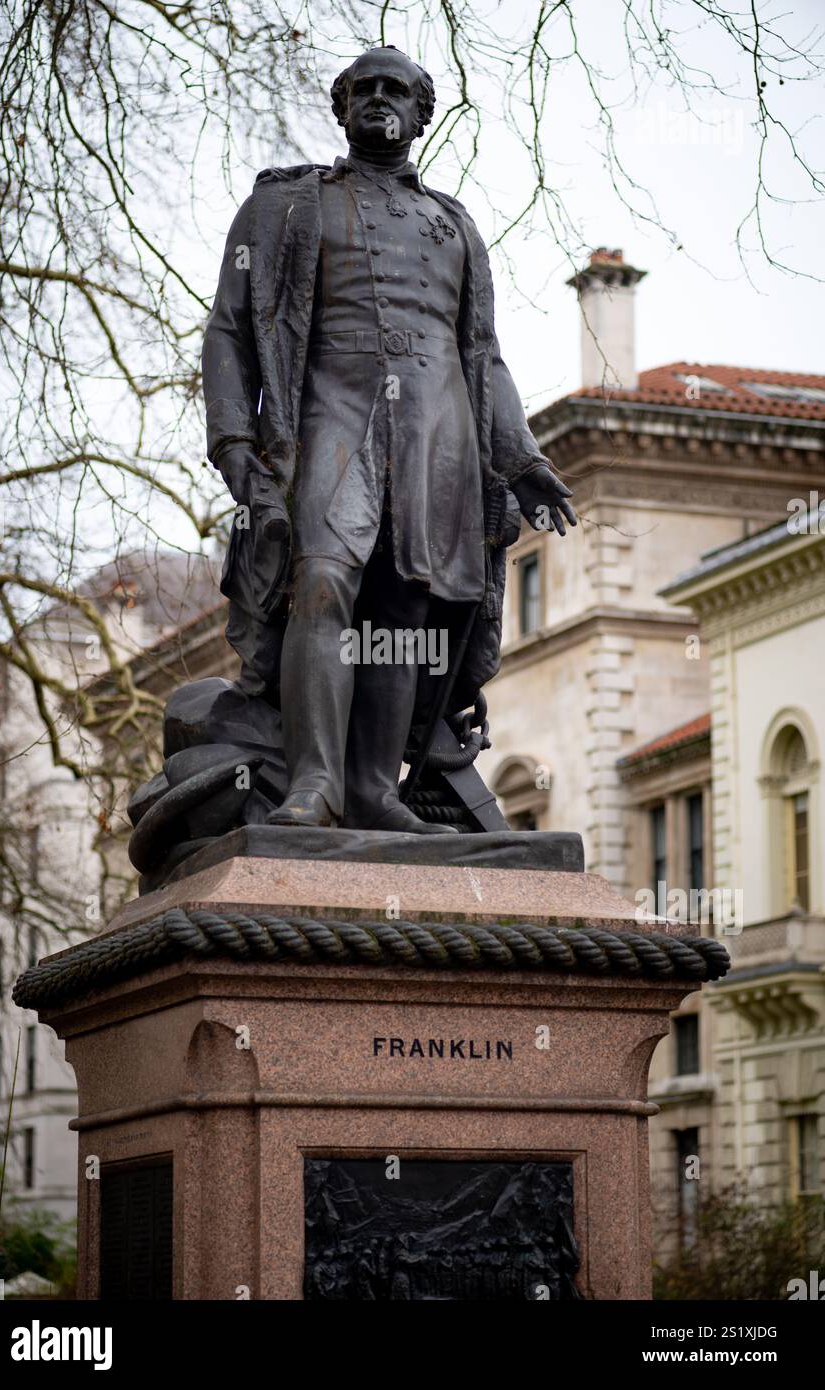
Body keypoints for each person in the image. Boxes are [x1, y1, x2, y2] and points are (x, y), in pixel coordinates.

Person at [202, 45, 575, 833]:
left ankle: (375, 789)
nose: (378, 99)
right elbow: (231, 330)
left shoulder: (455, 226)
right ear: (340, 109)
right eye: (362, 89)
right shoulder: (287, 205)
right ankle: (314, 786)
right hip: (329, 416)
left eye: (396, 90)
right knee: (324, 581)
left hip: (436, 432)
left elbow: (483, 357)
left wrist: (523, 458)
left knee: (403, 610)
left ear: (420, 112)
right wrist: (237, 444)